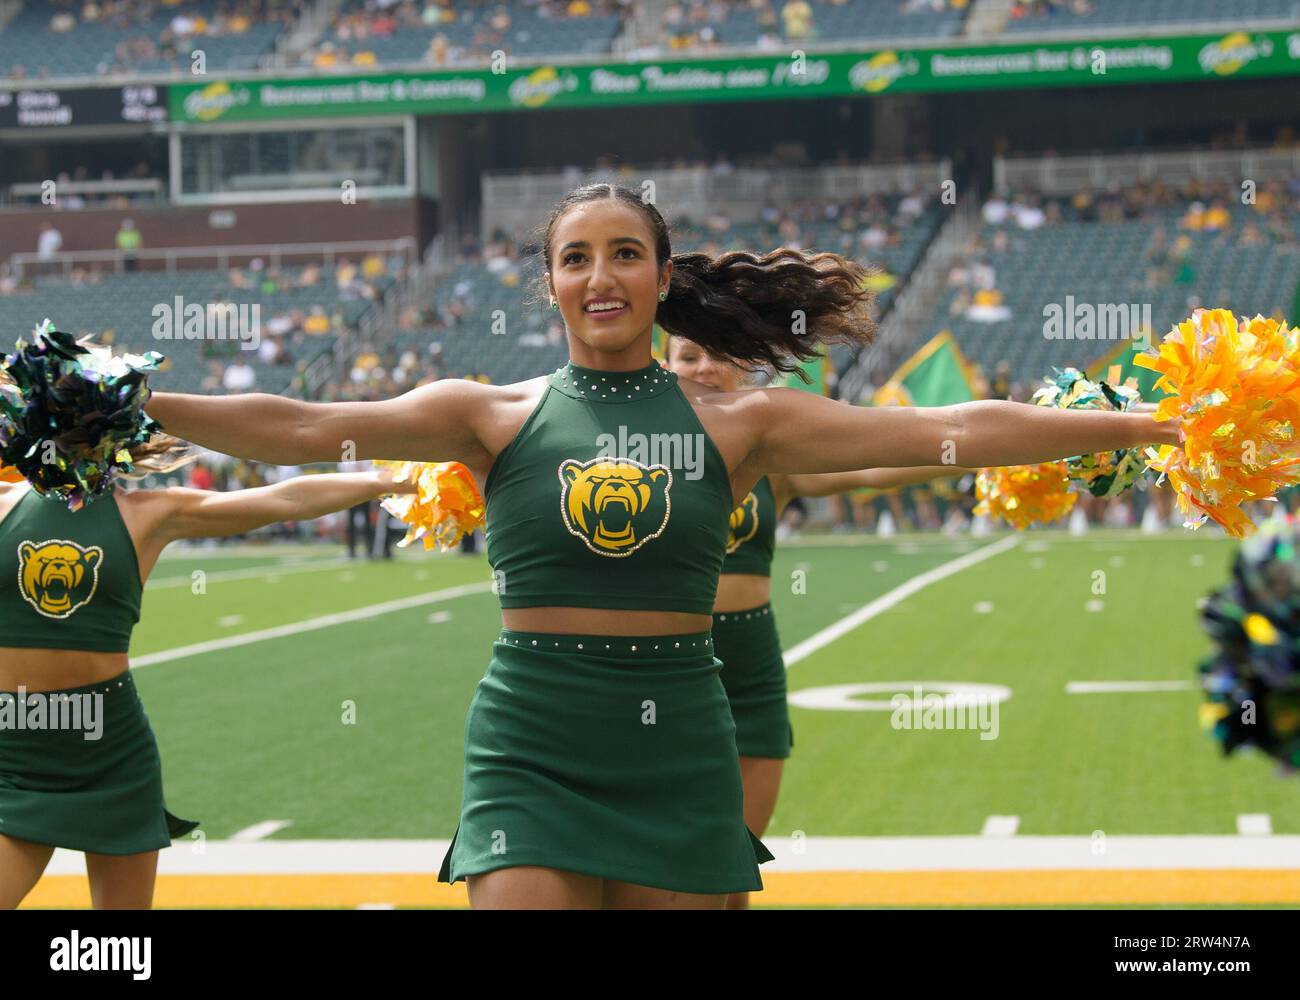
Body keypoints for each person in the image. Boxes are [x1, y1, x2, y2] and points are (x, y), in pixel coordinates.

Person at [141, 183, 1181, 910]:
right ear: (547, 282)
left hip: (678, 733)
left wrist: (1136, 426)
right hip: (531, 737)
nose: (601, 276)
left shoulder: (744, 422)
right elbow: (303, 426)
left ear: (661, 274)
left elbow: (950, 436)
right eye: (575, 257)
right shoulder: (488, 413)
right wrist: (132, 400)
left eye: (624, 253)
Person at [0, 436, 416, 909]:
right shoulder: (5, 504)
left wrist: (394, 479)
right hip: (17, 753)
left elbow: (286, 499)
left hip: (110, 753)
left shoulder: (145, 512)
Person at [663, 333, 967, 909]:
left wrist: (978, 452)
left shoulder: (765, 452)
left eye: (721, 353)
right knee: (677, 879)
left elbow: (874, 469)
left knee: (736, 868)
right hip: (670, 677)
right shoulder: (631, 449)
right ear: (664, 364)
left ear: (747, 366)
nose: (706, 366)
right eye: (689, 355)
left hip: (752, 672)